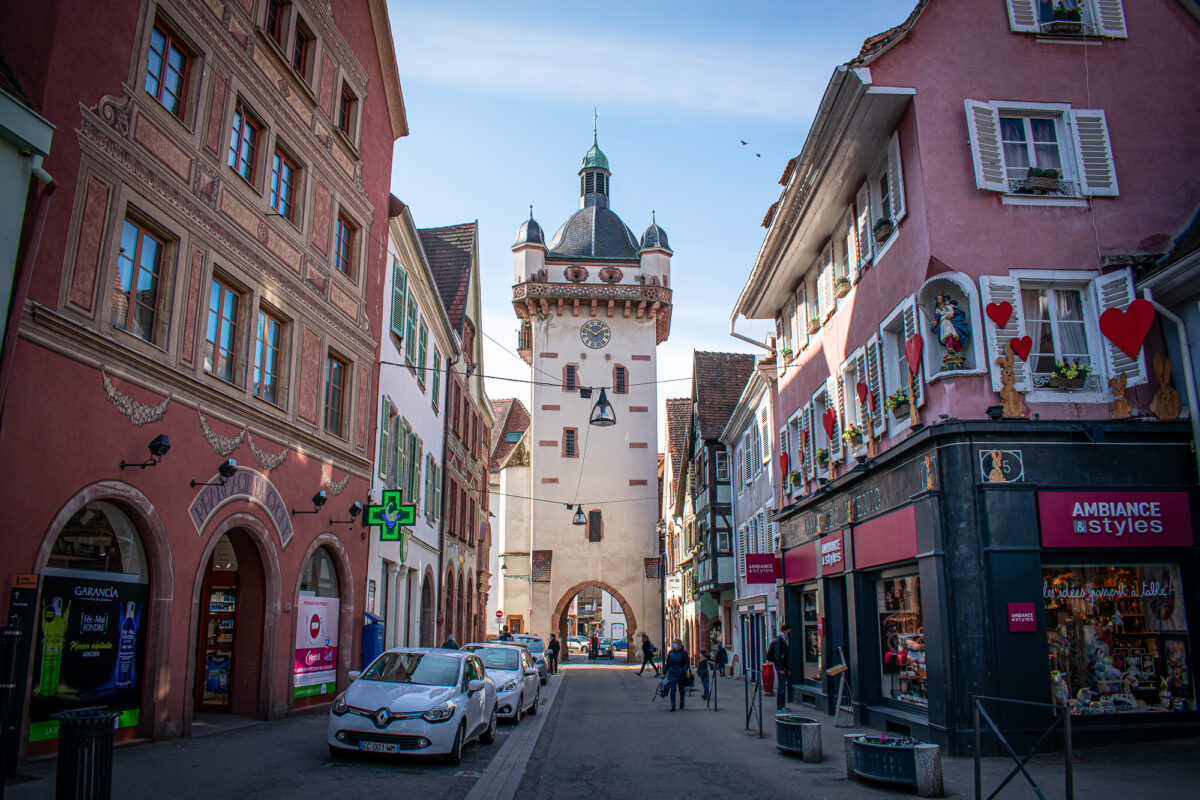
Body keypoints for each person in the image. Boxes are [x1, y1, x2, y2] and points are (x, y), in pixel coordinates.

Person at [766, 624, 791, 711]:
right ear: (785, 630)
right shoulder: (779, 641)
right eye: (789, 630)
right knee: (782, 686)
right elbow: (777, 656)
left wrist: (787, 668)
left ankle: (781, 705)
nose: (790, 632)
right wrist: (780, 668)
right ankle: (780, 706)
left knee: (783, 686)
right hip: (781, 667)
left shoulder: (783, 639)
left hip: (783, 666)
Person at [663, 639, 691, 711]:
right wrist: (664, 672)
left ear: (679, 645)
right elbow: (668, 664)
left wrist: (683, 670)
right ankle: (673, 705)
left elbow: (687, 663)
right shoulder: (671, 653)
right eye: (673, 644)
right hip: (672, 673)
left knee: (681, 690)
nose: (674, 645)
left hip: (681, 674)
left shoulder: (683, 653)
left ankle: (682, 702)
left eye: (675, 644)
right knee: (672, 690)